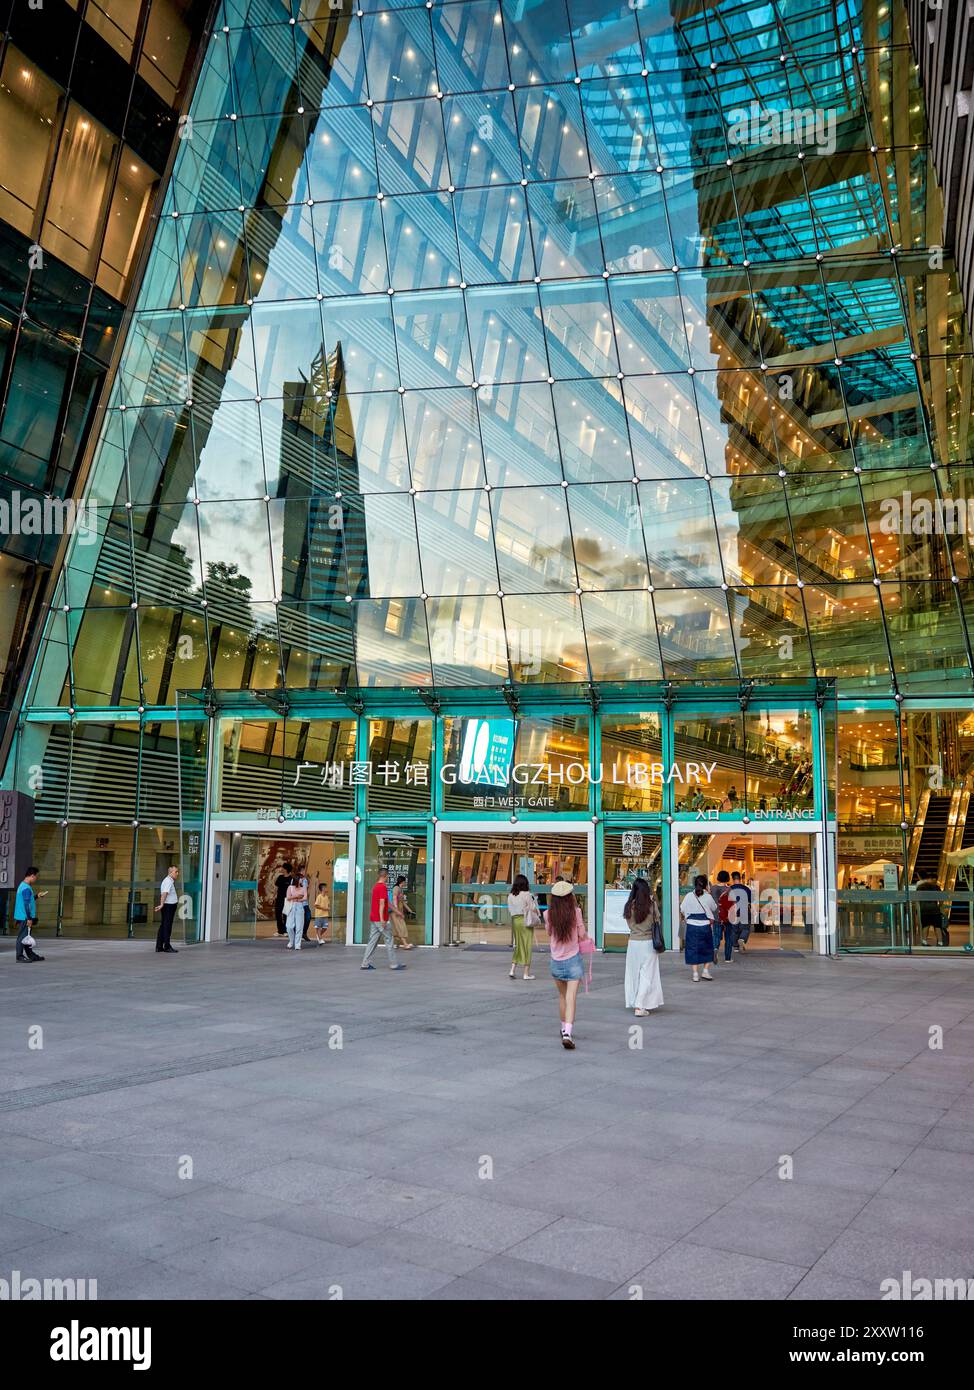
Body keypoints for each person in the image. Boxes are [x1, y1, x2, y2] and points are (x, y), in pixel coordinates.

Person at [544, 880, 588, 1049]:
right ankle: (568, 1033)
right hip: (573, 960)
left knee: (562, 997)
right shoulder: (576, 912)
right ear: (570, 896)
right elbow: (582, 934)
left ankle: (564, 1029)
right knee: (571, 998)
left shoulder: (548, 914)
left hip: (556, 961)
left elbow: (549, 932)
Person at [623, 878, 663, 1016]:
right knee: (647, 974)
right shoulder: (651, 905)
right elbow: (657, 920)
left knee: (633, 974)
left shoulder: (629, 905)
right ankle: (640, 1005)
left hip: (633, 943)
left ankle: (636, 1001)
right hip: (648, 943)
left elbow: (629, 924)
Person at [361, 868, 406, 971]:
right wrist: (382, 919)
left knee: (372, 941)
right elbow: (382, 904)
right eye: (387, 876)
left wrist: (397, 912)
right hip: (381, 919)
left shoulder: (376, 886)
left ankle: (365, 963)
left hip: (374, 918)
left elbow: (387, 903)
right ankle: (394, 964)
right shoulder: (382, 887)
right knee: (389, 939)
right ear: (385, 876)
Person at [680, 874, 718, 982]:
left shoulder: (688, 896)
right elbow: (714, 908)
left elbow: (682, 909)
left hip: (692, 926)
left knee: (693, 949)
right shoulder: (708, 896)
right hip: (705, 926)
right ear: (706, 885)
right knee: (707, 948)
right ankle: (705, 971)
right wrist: (709, 893)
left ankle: (695, 974)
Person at [507, 873, 537, 980]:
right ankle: (526, 973)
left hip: (515, 921)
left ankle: (512, 969)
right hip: (525, 921)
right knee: (527, 945)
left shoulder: (511, 895)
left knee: (518, 945)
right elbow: (533, 908)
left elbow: (510, 910)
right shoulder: (526, 894)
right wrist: (534, 899)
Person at [13, 866, 44, 963]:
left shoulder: (23, 886)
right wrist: (29, 919)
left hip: (23, 916)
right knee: (22, 937)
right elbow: (26, 904)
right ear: (32, 876)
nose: (36, 879)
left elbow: (27, 901)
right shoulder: (26, 888)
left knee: (26, 937)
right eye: (36, 877)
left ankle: (31, 955)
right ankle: (19, 956)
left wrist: (36, 896)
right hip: (25, 917)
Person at [153, 863, 179, 954]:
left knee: (163, 926)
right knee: (167, 926)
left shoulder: (169, 881)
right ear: (170, 872)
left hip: (168, 906)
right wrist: (161, 904)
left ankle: (159, 946)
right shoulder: (168, 881)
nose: (177, 873)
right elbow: (164, 893)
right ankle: (167, 946)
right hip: (168, 906)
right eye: (176, 872)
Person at [713, 869, 735, 964]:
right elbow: (733, 904)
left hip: (716, 916)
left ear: (718, 878)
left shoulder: (712, 888)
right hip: (727, 917)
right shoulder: (729, 889)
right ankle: (728, 958)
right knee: (728, 937)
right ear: (727, 878)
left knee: (716, 935)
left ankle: (715, 948)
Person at [389, 874, 416, 949]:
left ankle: (393, 944)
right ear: (402, 882)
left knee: (396, 927)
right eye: (405, 882)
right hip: (395, 912)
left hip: (398, 911)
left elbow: (403, 902)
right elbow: (394, 898)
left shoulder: (401, 890)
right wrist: (397, 910)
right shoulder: (396, 888)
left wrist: (410, 910)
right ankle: (405, 944)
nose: (405, 883)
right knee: (400, 927)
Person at [284, 872, 307, 951]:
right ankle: (291, 940)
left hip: (300, 907)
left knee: (299, 927)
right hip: (292, 906)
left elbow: (305, 898)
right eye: (301, 879)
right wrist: (297, 896)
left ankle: (297, 944)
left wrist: (297, 899)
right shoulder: (290, 887)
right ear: (297, 880)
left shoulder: (303, 888)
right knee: (289, 926)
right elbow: (288, 898)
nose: (302, 881)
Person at [729, 871, 752, 950]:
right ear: (740, 879)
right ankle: (742, 939)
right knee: (745, 928)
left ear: (733, 879)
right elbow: (751, 900)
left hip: (733, 912)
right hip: (744, 910)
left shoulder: (729, 889)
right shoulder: (746, 889)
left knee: (734, 929)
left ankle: (735, 946)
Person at [273, 861, 292, 936]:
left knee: (285, 915)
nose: (282, 869)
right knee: (278, 914)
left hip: (287, 899)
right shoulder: (280, 877)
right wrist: (274, 896)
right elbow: (276, 888)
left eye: (283, 868)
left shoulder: (291, 879)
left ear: (286, 869)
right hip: (279, 898)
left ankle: (286, 930)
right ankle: (280, 930)